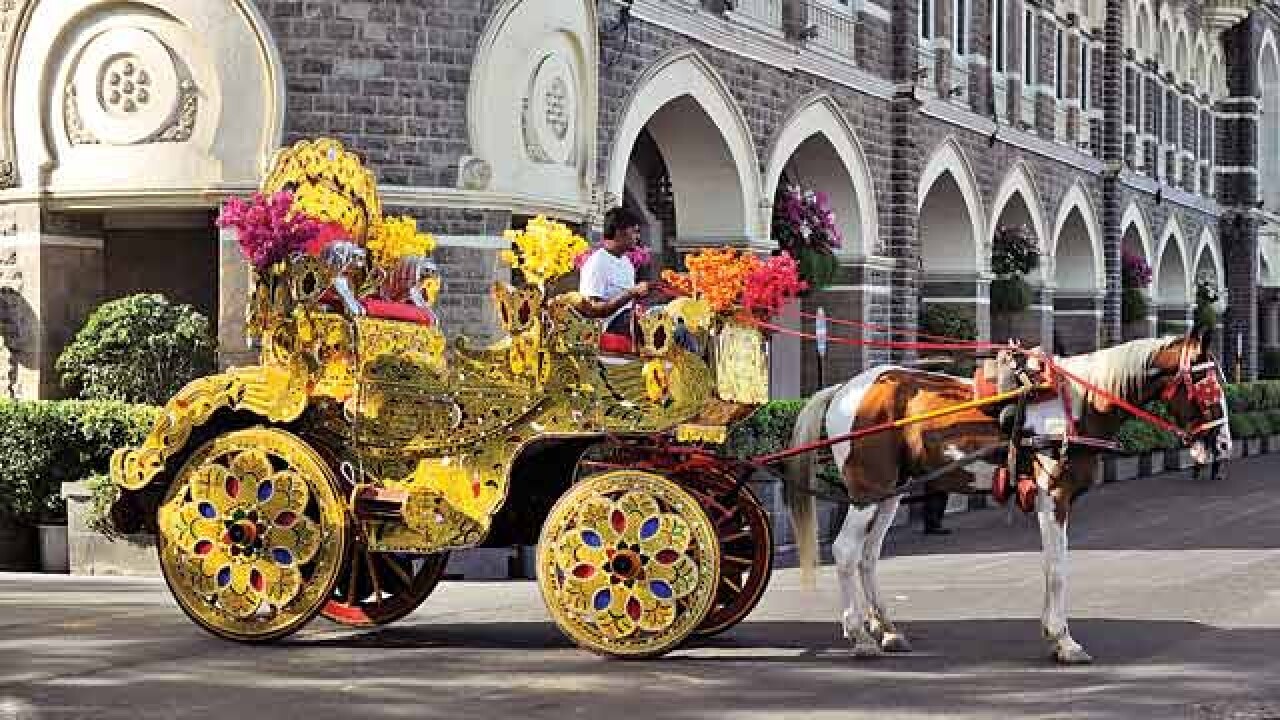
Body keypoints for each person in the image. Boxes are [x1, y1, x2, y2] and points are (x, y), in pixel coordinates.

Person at [577, 207, 651, 341]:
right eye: (634, 232)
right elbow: (591, 309)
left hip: (629, 321)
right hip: (608, 329)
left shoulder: (626, 262)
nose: (638, 237)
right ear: (619, 232)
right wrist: (631, 293)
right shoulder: (597, 262)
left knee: (673, 319)